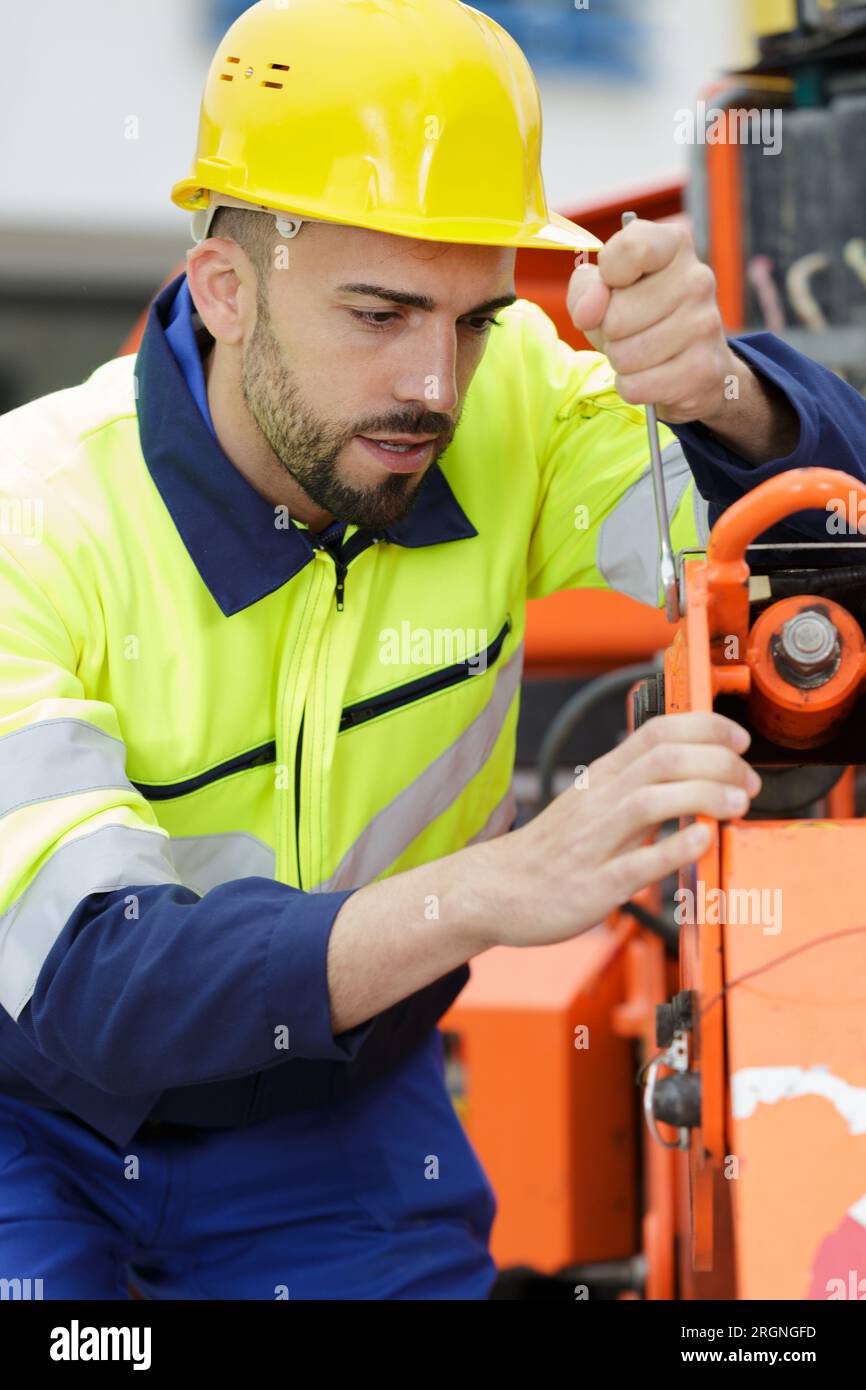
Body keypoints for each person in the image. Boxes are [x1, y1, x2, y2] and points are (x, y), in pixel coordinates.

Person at [1, 0, 865, 1301]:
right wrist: (495, 886)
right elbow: (97, 984)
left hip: (337, 1113)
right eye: (379, 312)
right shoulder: (32, 518)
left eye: (470, 319)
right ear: (225, 290)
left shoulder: (510, 401)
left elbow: (813, 539)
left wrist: (720, 392)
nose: (435, 389)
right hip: (35, 1119)